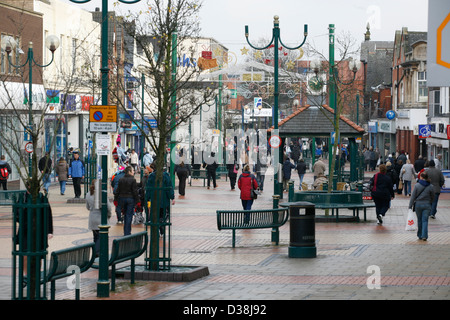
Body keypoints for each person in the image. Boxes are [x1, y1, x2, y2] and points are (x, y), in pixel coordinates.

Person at [146, 163, 175, 236]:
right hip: (164, 200)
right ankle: (161, 227)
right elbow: (169, 187)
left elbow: (148, 189)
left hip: (154, 199)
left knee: (155, 215)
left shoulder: (151, 176)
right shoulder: (166, 176)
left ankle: (158, 228)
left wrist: (147, 198)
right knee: (163, 214)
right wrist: (172, 197)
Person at [86, 179, 111, 256]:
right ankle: (96, 252)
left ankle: (96, 252)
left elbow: (87, 207)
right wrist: (109, 215)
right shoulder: (101, 194)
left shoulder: (88, 194)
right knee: (101, 237)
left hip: (92, 217)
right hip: (100, 218)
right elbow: (108, 207)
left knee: (95, 237)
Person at [409, 172, 434, 241]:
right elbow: (433, 196)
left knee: (419, 220)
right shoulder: (430, 186)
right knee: (425, 220)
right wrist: (430, 202)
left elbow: (413, 196)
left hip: (418, 205)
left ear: (422, 178)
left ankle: (419, 235)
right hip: (427, 205)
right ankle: (424, 236)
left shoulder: (417, 185)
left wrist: (410, 206)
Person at [114, 166, 139, 236]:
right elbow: (135, 191)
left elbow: (118, 190)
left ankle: (125, 231)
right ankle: (127, 232)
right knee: (129, 215)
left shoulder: (121, 179)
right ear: (129, 172)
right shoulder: (133, 180)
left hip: (122, 199)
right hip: (130, 199)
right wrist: (137, 200)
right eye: (133, 171)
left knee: (125, 215)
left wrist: (116, 199)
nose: (134, 172)